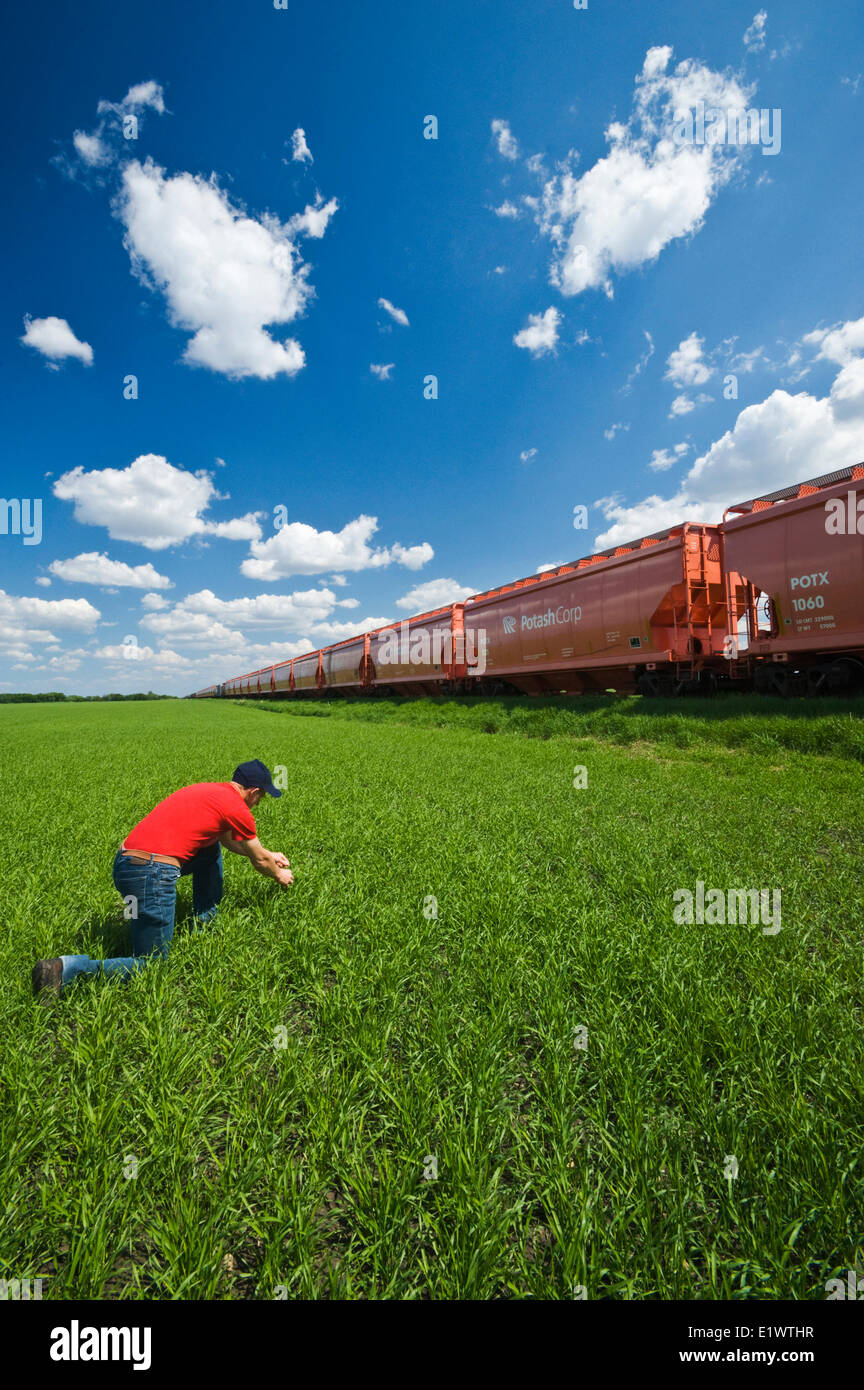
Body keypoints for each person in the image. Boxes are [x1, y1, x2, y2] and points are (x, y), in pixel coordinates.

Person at [32, 760, 293, 998]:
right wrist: (278, 873)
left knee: (210, 849)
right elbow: (258, 861)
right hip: (151, 872)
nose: (258, 803)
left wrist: (268, 854)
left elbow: (231, 842)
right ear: (255, 791)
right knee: (151, 963)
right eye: (262, 797)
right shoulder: (238, 808)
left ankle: (204, 927)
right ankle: (66, 970)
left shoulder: (211, 792)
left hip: (126, 865)